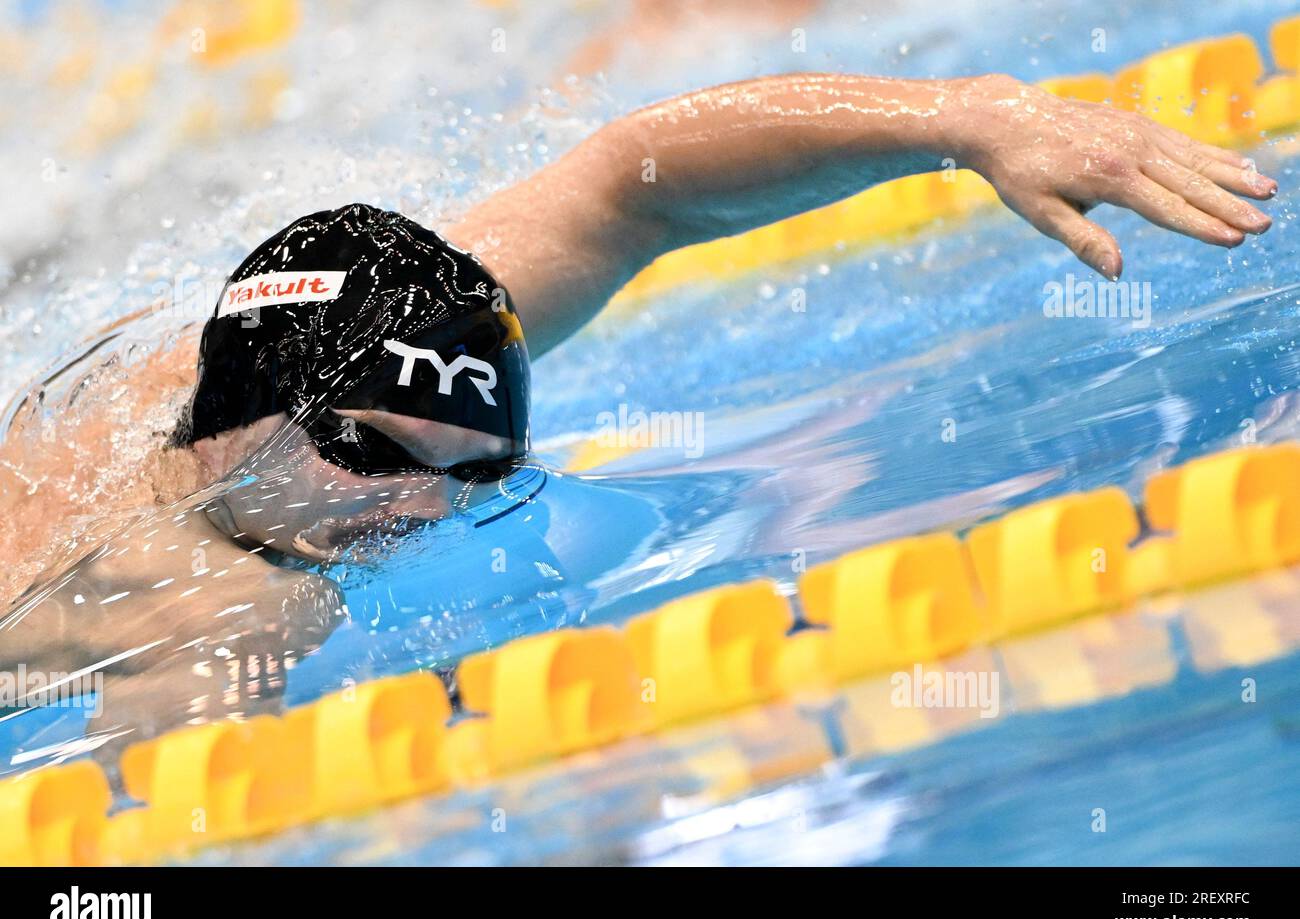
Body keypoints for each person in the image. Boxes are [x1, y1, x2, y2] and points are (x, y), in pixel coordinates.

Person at [0, 72, 1277, 747]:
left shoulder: (337, 346)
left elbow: (631, 185)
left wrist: (965, 118)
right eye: (369, 454)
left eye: (476, 469)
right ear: (243, 412)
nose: (422, 504)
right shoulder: (221, 604)